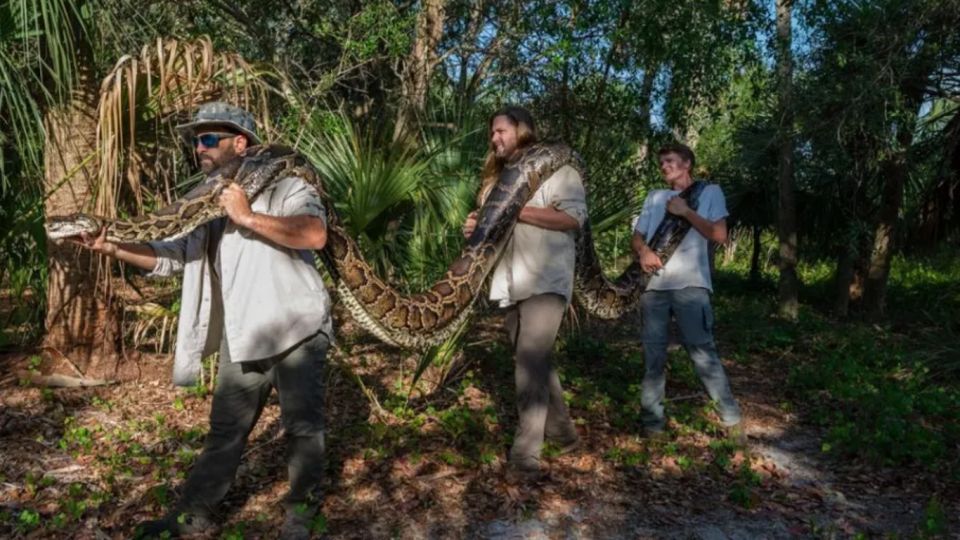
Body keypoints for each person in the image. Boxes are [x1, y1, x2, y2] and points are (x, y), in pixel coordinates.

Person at [70, 102, 332, 539]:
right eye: (196, 140)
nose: (199, 147)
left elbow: (314, 233)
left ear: (240, 143)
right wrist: (110, 245)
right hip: (243, 332)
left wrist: (246, 214)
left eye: (209, 138)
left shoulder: (285, 184)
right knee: (225, 431)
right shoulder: (203, 202)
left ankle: (301, 516)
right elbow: (168, 258)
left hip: (296, 327)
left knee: (303, 428)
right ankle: (192, 515)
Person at [462, 106, 584, 478]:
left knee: (528, 361)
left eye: (501, 130)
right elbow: (489, 227)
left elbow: (572, 219)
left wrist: (516, 210)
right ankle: (563, 434)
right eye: (492, 133)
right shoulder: (494, 181)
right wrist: (475, 225)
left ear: (523, 130)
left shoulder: (559, 170)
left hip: (546, 279)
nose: (494, 138)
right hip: (509, 281)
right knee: (534, 360)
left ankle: (525, 456)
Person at [631, 143, 742, 439]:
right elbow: (638, 237)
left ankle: (732, 422)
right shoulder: (654, 197)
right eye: (661, 162)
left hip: (691, 286)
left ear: (687, 163)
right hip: (653, 289)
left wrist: (686, 211)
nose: (664, 166)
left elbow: (719, 235)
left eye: (670, 161)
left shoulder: (709, 193)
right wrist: (642, 253)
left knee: (702, 353)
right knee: (653, 358)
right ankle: (652, 424)